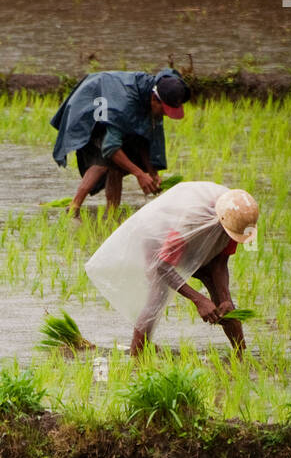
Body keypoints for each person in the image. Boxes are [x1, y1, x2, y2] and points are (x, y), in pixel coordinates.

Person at [84, 181, 258, 357]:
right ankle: (137, 358)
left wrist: (225, 298)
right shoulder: (193, 220)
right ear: (220, 221)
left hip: (200, 243)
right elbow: (162, 266)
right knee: (157, 298)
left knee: (225, 305)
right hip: (160, 240)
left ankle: (241, 357)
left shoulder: (237, 217)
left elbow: (220, 263)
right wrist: (199, 300)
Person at [51, 69, 191, 216]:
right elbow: (110, 147)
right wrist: (139, 174)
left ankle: (112, 215)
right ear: (154, 99)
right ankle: (74, 207)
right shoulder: (124, 105)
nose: (164, 115)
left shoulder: (151, 100)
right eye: (164, 110)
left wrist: (152, 172)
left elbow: (142, 140)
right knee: (102, 162)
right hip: (93, 104)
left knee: (117, 167)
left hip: (115, 107)